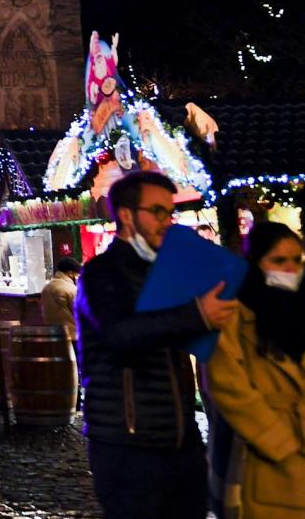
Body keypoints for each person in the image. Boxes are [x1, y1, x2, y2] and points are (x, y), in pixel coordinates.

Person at [76, 171, 236, 519]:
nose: (168, 221)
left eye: (170, 212)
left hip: (181, 443)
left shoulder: (167, 271)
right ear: (127, 215)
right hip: (127, 445)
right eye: (158, 212)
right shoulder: (101, 273)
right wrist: (196, 314)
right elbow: (119, 336)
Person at [206, 222, 305, 519]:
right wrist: (280, 443)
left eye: (296, 260)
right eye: (278, 260)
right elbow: (226, 385)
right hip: (268, 461)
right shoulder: (234, 314)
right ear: (257, 262)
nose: (289, 269)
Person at [41, 256, 82, 341]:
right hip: (71, 335)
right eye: (76, 275)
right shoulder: (71, 289)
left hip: (51, 335)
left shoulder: (47, 287)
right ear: (70, 273)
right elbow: (80, 312)